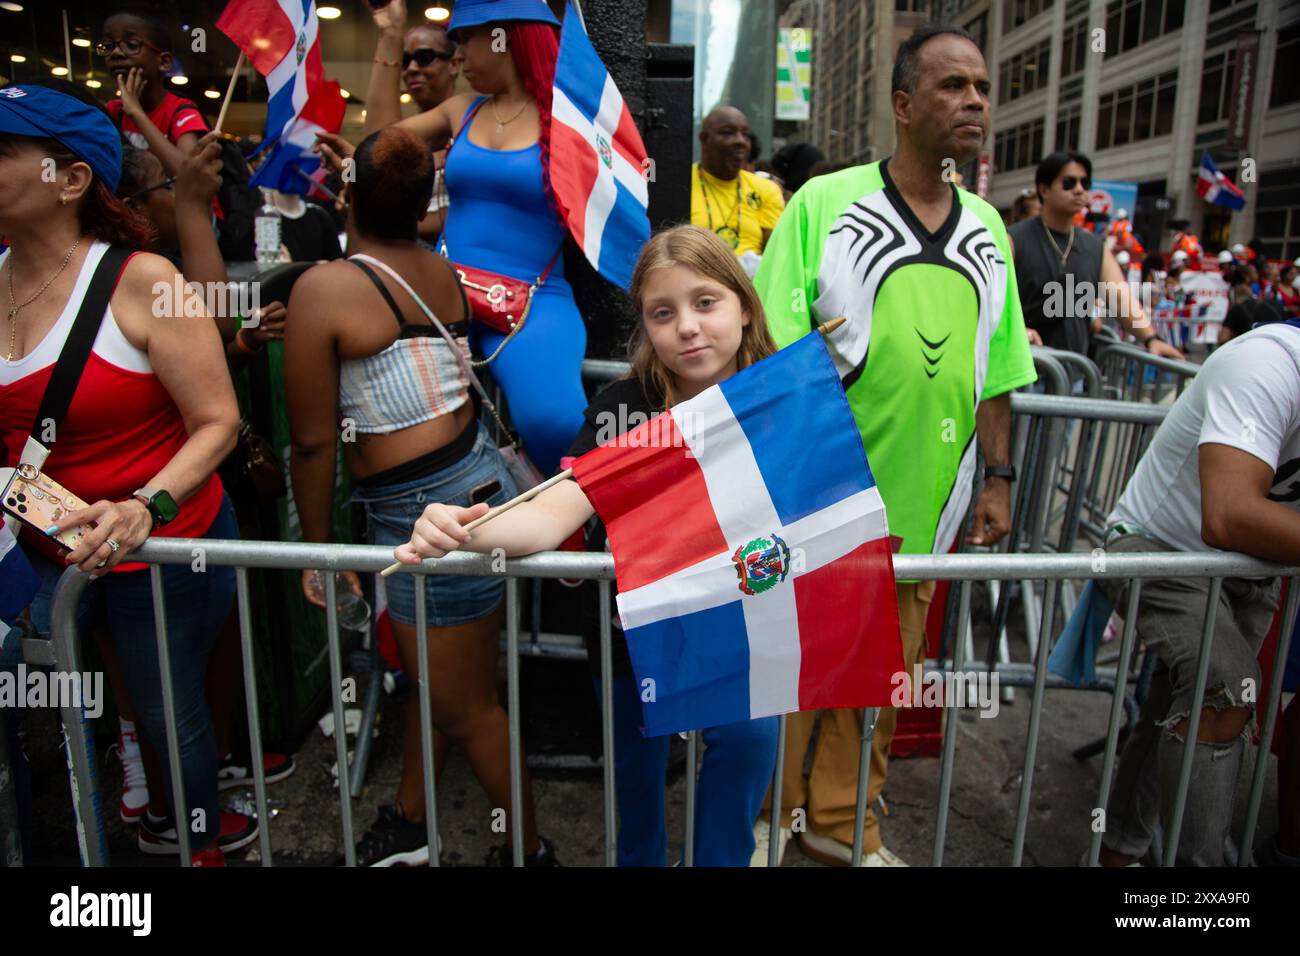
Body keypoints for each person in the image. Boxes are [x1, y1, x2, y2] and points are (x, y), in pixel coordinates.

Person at [394, 225, 782, 867]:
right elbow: (549, 515)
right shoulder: (621, 410)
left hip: (746, 632)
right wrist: (457, 526)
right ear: (646, 326)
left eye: (706, 302)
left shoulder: (786, 397)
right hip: (633, 636)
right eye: (663, 312)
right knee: (636, 787)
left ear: (744, 304)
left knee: (742, 762)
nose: (687, 327)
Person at [750, 23, 1037, 866]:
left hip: (930, 503)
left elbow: (999, 370)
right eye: (953, 86)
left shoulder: (989, 228)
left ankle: (844, 826)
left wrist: (998, 478)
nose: (975, 101)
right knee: (799, 669)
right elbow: (770, 347)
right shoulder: (823, 206)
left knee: (880, 674)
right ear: (904, 105)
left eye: (981, 87)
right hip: (821, 495)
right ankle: (773, 818)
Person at [284, 126, 555, 867]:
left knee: (468, 707)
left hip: (435, 519)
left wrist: (319, 551)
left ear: (346, 195)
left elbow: (311, 444)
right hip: (469, 490)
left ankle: (530, 852)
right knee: (441, 681)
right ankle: (411, 822)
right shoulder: (440, 271)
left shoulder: (326, 287)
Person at [0, 81, 246, 866]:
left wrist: (143, 506)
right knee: (65, 701)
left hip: (164, 544)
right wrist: (45, 516)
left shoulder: (144, 281)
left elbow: (219, 421)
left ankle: (196, 843)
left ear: (69, 181)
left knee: (172, 715)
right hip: (42, 548)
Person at [321, 0, 587, 475]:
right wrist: (388, 38)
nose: (457, 55)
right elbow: (381, 149)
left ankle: (566, 530)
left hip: (535, 300)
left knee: (554, 422)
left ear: (504, 37)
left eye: (464, 39)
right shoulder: (461, 109)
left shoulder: (568, 119)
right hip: (444, 295)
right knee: (410, 427)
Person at [1096, 320, 1300, 866]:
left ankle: (1116, 851)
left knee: (1178, 706)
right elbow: (1228, 514)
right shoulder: (1267, 362)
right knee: (1227, 688)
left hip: (1252, 574)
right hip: (1155, 548)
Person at [1009, 151, 1183, 360]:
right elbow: (995, 301)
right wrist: (1018, 331)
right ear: (1044, 189)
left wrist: (1151, 338)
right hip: (1022, 370)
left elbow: (1119, 298)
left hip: (1074, 373)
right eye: (1068, 182)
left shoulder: (1094, 246)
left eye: (1085, 183)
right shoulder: (1013, 238)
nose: (1079, 190)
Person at [361, 0, 459, 244]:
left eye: (425, 57)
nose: (412, 68)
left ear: (454, 64)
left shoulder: (473, 125)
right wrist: (390, 33)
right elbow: (377, 147)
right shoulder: (400, 135)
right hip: (405, 255)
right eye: (404, 61)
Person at [100, 9, 208, 178]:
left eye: (132, 45)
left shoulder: (181, 112)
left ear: (164, 62)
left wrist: (137, 113)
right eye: (108, 46)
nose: (116, 53)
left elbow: (190, 176)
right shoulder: (112, 111)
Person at [692, 107, 786, 258]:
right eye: (728, 132)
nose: (740, 141)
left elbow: (775, 254)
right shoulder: (681, 184)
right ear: (705, 139)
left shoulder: (766, 189)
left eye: (745, 134)